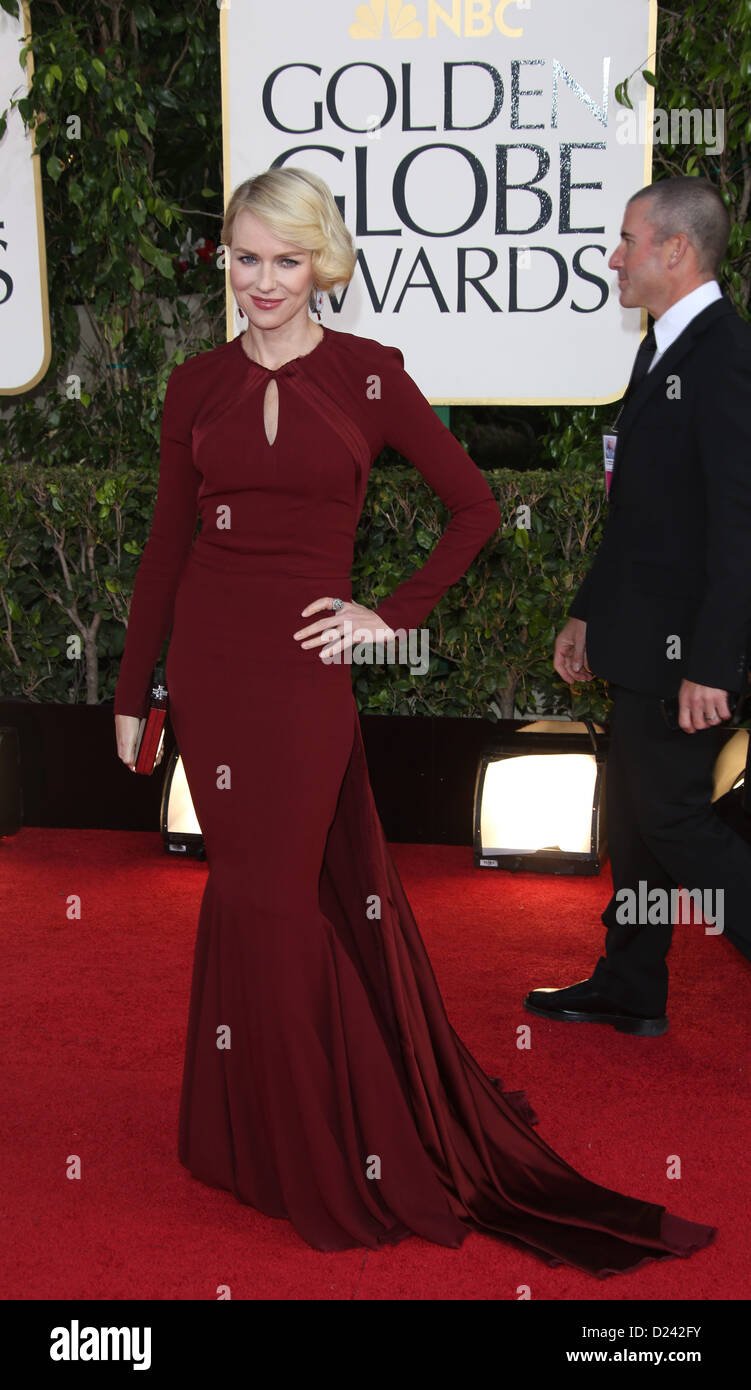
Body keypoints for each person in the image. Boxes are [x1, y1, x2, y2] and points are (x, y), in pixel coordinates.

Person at [114, 167, 715, 1274]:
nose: (261, 281)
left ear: (321, 265)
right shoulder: (192, 385)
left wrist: (383, 617)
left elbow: (473, 507)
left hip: (303, 680)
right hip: (210, 669)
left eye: (284, 260)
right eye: (244, 259)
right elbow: (165, 550)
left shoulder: (369, 378)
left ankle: (322, 1144)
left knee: (279, 904)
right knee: (250, 899)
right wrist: (129, 690)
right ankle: (250, 1132)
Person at [526, 176, 751, 1037]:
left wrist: (712, 665)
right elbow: (640, 514)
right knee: (634, 820)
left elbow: (739, 528)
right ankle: (630, 983)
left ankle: (631, 980)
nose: (614, 258)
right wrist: (587, 612)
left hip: (685, 654)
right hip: (640, 640)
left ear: (675, 250)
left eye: (626, 240)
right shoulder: (663, 348)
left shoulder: (724, 357)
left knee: (674, 822)